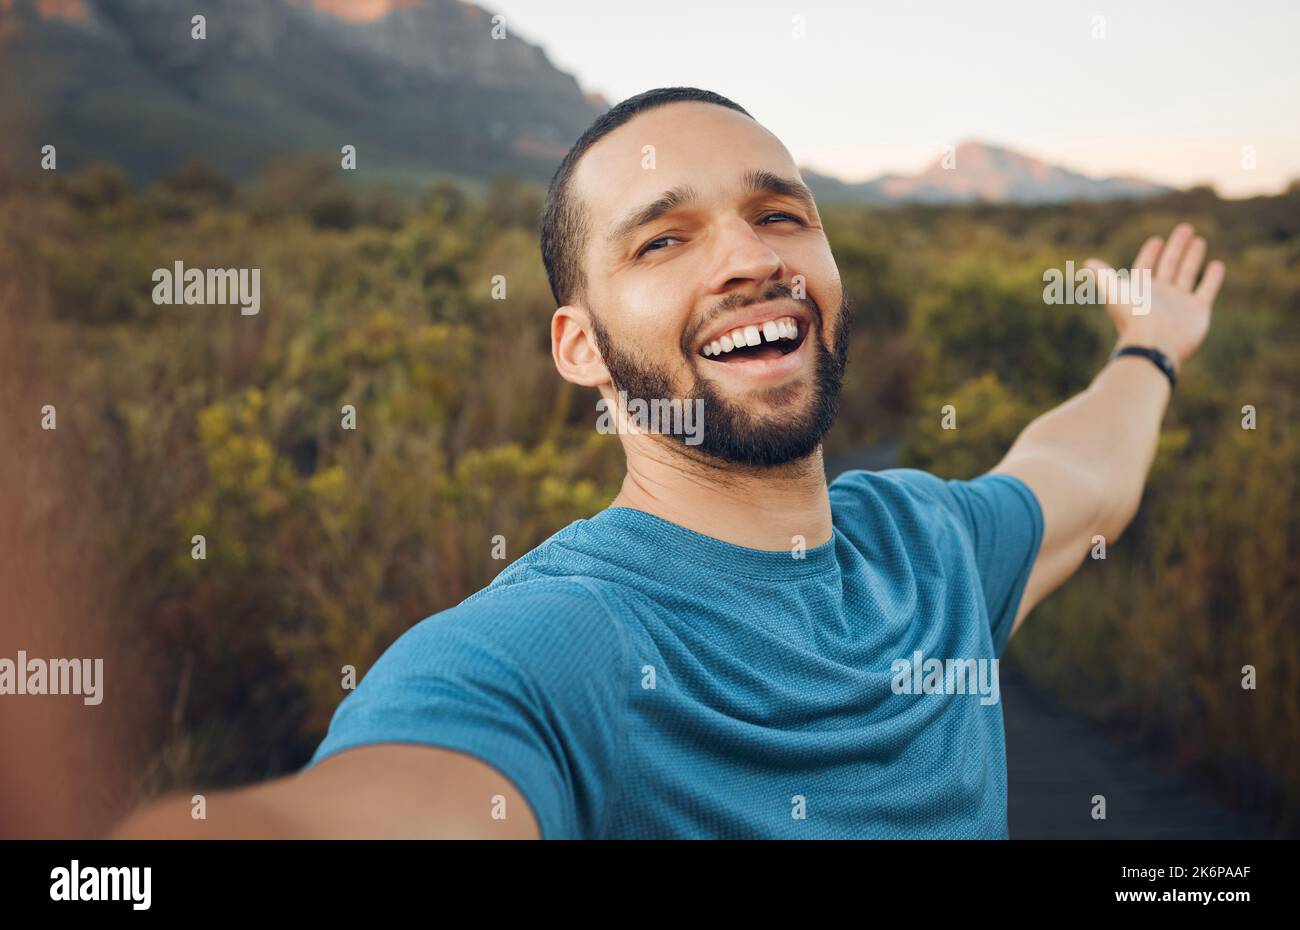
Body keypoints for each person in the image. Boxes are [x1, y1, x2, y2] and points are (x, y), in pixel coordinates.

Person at [111, 86, 1225, 840]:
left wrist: (1149, 343)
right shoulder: (545, 653)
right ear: (578, 345)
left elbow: (1082, 474)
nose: (750, 258)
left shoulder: (928, 551)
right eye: (662, 239)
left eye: (778, 214)